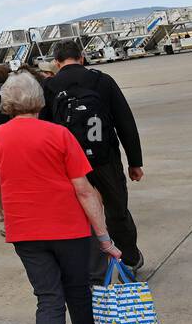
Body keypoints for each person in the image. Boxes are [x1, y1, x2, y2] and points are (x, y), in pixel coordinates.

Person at [0, 72, 121, 324]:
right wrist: (104, 238)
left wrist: (3, 214)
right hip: (69, 230)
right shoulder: (59, 134)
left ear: (8, 103)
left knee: (48, 300)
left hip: (25, 233)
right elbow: (85, 190)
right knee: (78, 293)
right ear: (40, 99)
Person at [42, 40, 145, 276]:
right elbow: (125, 122)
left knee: (80, 213)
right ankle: (129, 259)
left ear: (57, 63)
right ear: (82, 58)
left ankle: (93, 267)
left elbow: (45, 128)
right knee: (116, 209)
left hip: (69, 163)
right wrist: (135, 162)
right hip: (105, 157)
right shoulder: (103, 80)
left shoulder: (50, 86)